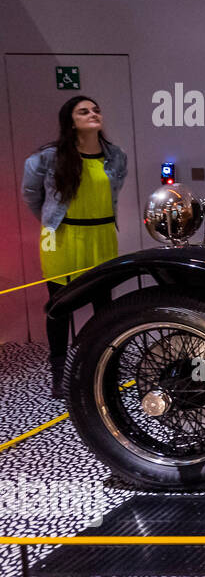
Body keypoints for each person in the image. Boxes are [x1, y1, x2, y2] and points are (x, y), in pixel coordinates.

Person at [21, 96, 128, 397]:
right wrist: (51, 222)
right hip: (60, 237)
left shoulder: (116, 156)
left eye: (96, 109)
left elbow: (112, 192)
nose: (93, 114)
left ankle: (105, 369)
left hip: (102, 233)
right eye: (84, 111)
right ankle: (59, 377)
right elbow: (31, 196)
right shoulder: (47, 158)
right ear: (71, 120)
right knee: (59, 308)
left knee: (104, 305)